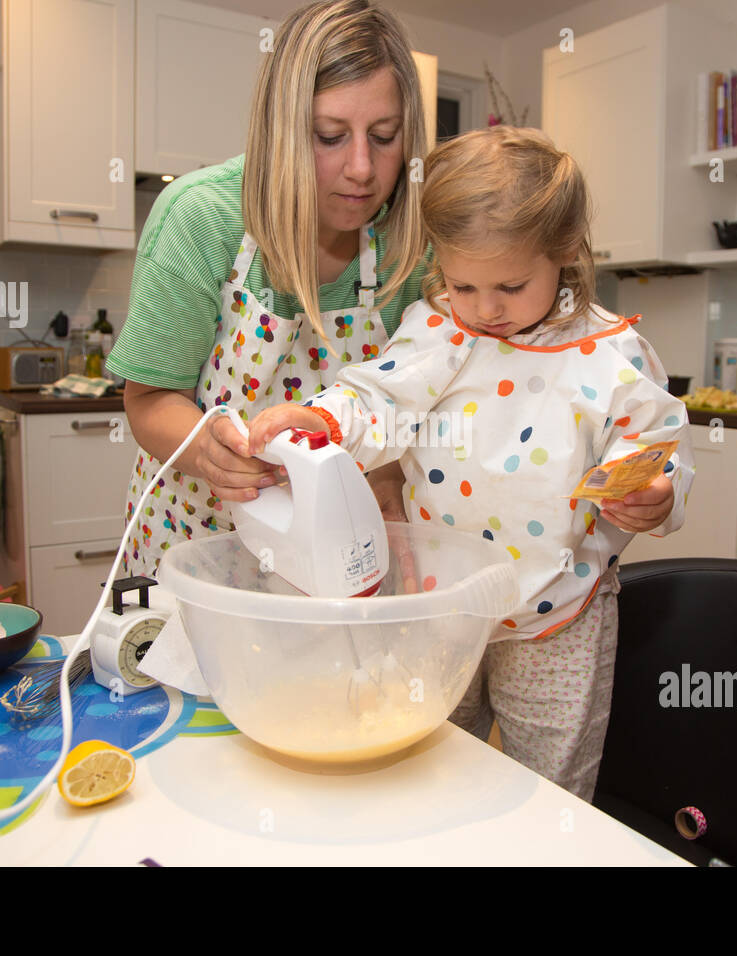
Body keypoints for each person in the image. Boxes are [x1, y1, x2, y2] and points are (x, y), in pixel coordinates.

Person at [248, 126, 695, 801]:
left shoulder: (612, 354)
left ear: (565, 252)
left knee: (550, 791)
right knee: (421, 765)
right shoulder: (438, 331)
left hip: (557, 620)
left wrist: (656, 494)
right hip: (439, 608)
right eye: (463, 284)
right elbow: (379, 398)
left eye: (511, 286)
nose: (485, 310)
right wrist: (324, 419)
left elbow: (654, 449)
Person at [105, 0, 430, 575]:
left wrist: (382, 479)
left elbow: (412, 404)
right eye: (329, 136)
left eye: (384, 136)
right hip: (194, 541)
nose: (361, 167)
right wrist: (207, 448)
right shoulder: (201, 217)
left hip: (334, 552)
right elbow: (149, 402)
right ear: (280, 128)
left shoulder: (409, 240)